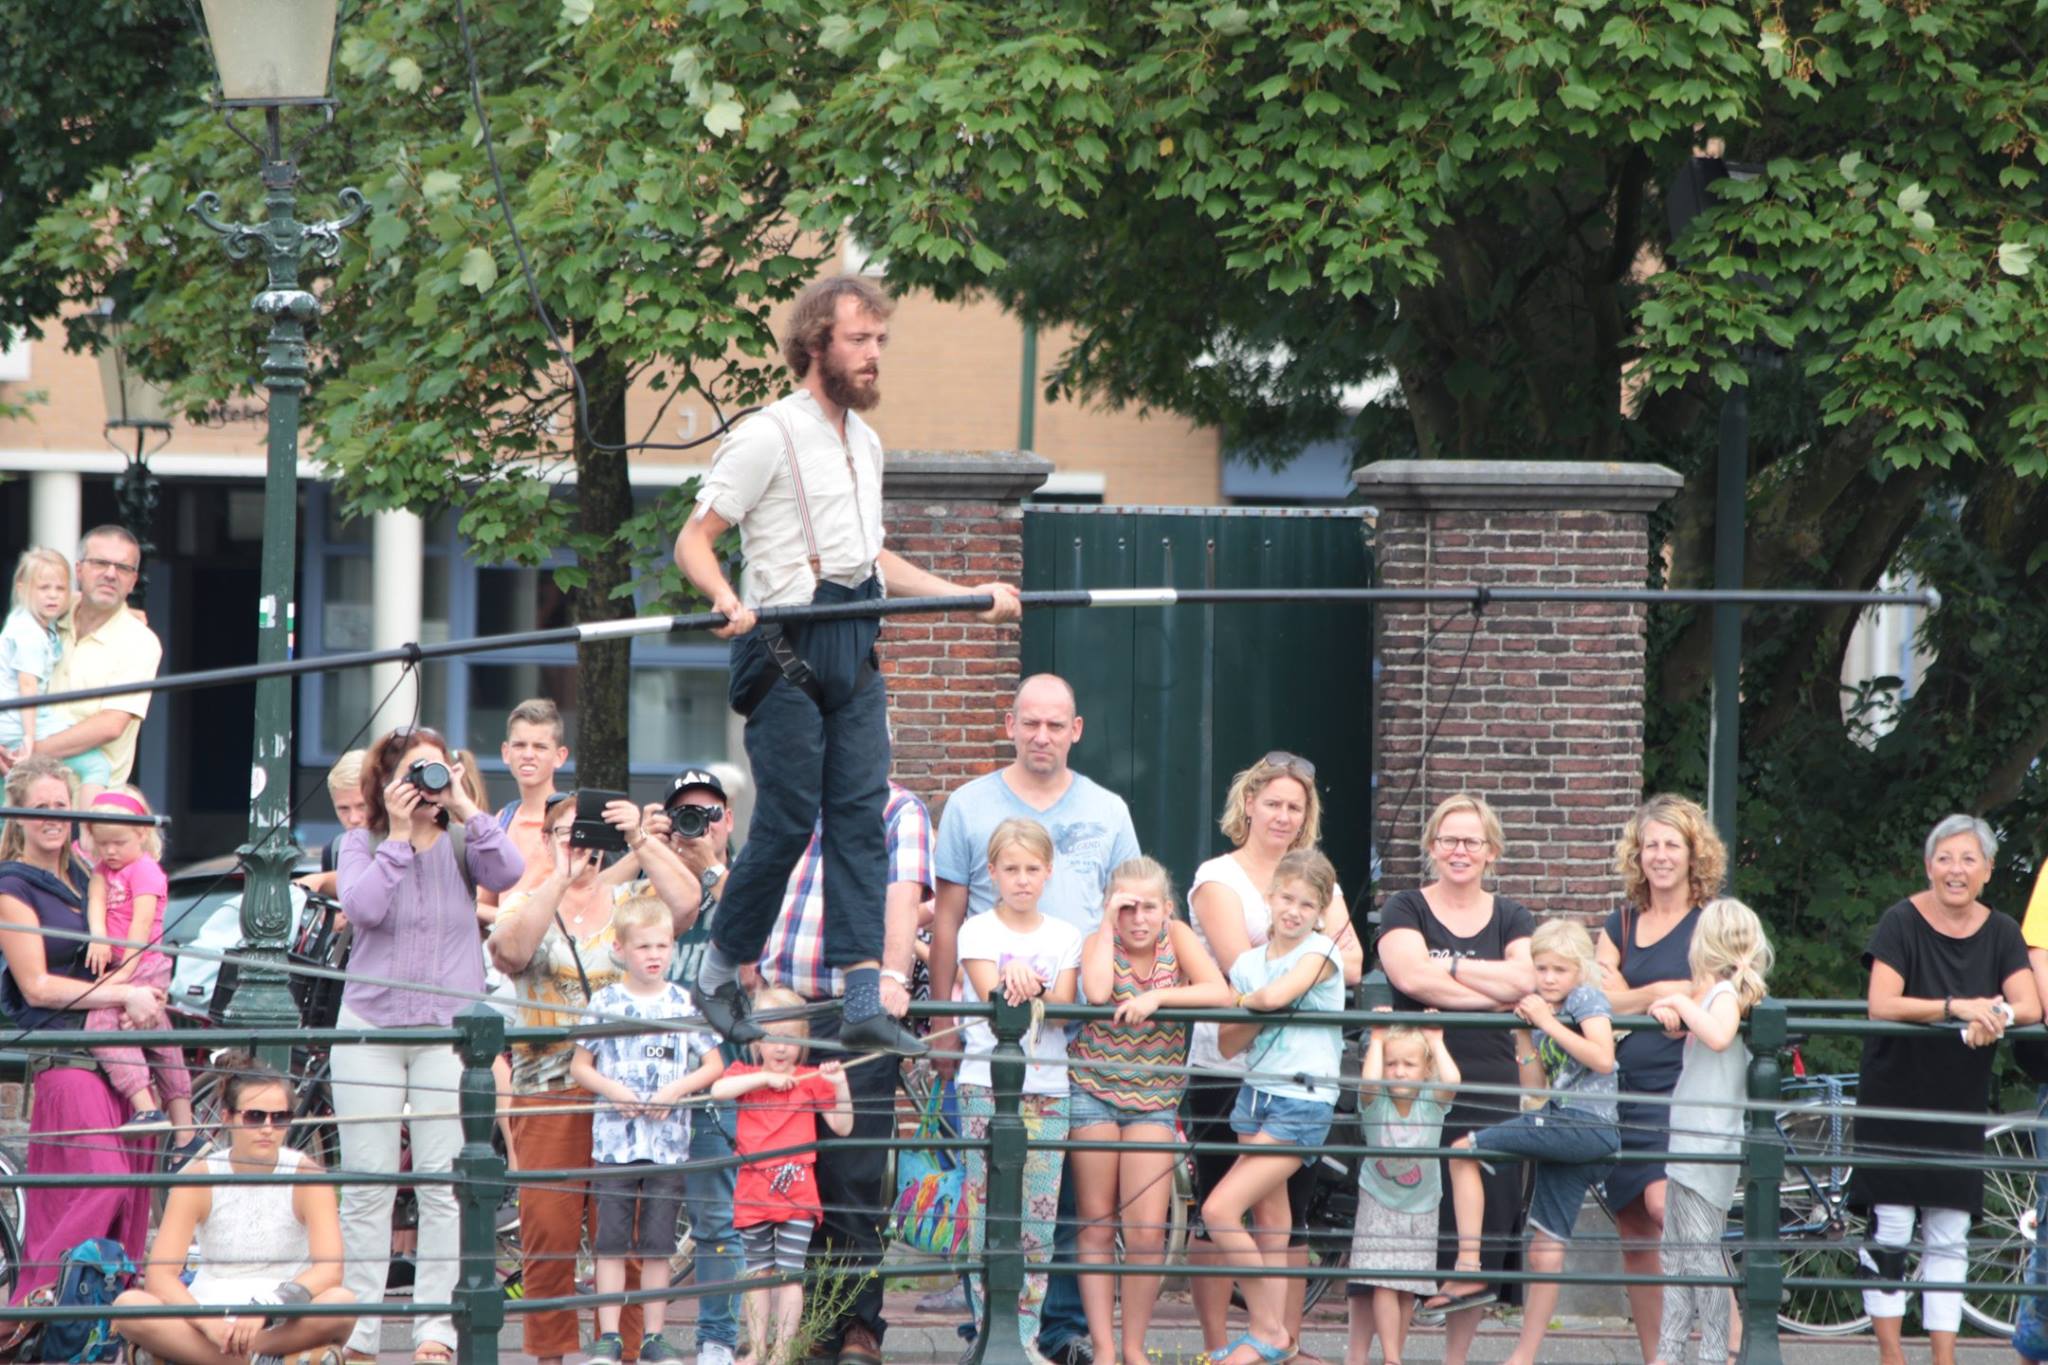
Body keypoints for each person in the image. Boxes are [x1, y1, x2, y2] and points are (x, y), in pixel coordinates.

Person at [675, 273, 1022, 1050]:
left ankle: (865, 992)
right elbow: (693, 540)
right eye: (859, 340)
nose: (873, 356)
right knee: (793, 819)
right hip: (783, 651)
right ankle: (718, 970)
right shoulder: (767, 434)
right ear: (815, 344)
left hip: (855, 648)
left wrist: (966, 595)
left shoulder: (866, 444)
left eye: (880, 342)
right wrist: (728, 597)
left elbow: (870, 557)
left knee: (864, 818)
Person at [930, 672, 1143, 1365]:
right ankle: (990, 1334)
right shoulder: (967, 805)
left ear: (1076, 729)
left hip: (1088, 1026)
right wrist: (943, 1027)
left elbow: (1132, 909)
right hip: (988, 1040)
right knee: (986, 1197)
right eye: (1031, 722)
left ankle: (1056, 1334)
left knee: (1063, 1200)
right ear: (1011, 723)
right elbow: (949, 920)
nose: (1043, 735)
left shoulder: (1108, 808)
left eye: (1057, 724)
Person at [333, 725, 524, 1363]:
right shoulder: (358, 842)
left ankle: (435, 1332)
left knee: (443, 1185)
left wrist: (468, 807)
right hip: (370, 1029)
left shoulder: (468, 839)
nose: (426, 784)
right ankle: (357, 1332)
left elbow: (511, 870)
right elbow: (362, 909)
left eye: (436, 770)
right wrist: (396, 836)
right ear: (387, 781)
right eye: (414, 772)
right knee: (368, 1185)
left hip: (447, 1033)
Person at [488, 792, 700, 1365]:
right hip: (548, 1089)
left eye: (588, 832)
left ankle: (628, 1351)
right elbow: (509, 952)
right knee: (549, 1236)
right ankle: (550, 1355)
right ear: (547, 840)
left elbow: (686, 904)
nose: (579, 843)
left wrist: (639, 838)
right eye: (565, 832)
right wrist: (559, 879)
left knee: (628, 1235)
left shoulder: (633, 899)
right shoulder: (527, 899)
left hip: (631, 1099)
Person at [1184, 752, 1362, 1364]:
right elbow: (1240, 967)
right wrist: (1306, 946)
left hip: (1296, 1086)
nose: (1284, 815)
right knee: (1213, 1214)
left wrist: (1300, 956)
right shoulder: (1218, 876)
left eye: (1296, 806)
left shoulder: (1319, 881)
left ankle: (1278, 1342)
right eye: (1275, 803)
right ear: (1250, 804)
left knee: (1283, 1218)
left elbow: (1353, 960)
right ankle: (1221, 1343)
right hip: (1226, 1071)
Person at [752, 777, 933, 1365]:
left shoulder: (900, 808)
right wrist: (749, 966)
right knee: (787, 1174)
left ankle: (857, 1324)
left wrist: (892, 979)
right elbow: (765, 876)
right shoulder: (795, 797)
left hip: (854, 1012)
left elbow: (903, 895)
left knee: (853, 1174)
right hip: (785, 1009)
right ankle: (799, 1328)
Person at [1849, 814, 2039, 1365]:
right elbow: (1882, 1003)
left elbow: (2026, 1004)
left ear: (1987, 870)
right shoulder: (1900, 921)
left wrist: (1994, 1013)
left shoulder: (2001, 929)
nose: (1956, 870)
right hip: (1895, 1091)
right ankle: (1890, 1354)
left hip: (1958, 1097)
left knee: (1950, 1228)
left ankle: (1944, 1358)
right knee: (1891, 1224)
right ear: (1929, 865)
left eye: (1968, 859)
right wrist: (1957, 1007)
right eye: (1945, 858)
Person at [1375, 793, 1532, 1365]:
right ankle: (1393, 1354)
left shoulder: (1512, 915)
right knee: (1408, 1217)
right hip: (1414, 1082)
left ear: (1491, 852)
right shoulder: (1405, 906)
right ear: (1431, 848)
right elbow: (1412, 976)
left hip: (1489, 1080)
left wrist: (1456, 966)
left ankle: (1454, 1360)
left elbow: (1526, 980)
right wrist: (1490, 995)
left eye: (1471, 841)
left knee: (1483, 1227)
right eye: (1448, 840)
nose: (1458, 851)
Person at [0, 756, 153, 1306]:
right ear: (14, 816)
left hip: (121, 1053)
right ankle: (26, 1306)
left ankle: (101, 1321)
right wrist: (124, 993)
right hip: (69, 1058)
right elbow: (37, 986)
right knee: (102, 1181)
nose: (51, 817)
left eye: (60, 806)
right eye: (37, 808)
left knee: (134, 1196)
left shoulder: (91, 876)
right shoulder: (12, 886)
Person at [1069, 856, 1232, 1365]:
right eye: (1127, 908)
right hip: (1092, 1089)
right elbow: (1096, 991)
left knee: (1144, 1232)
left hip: (1155, 1099)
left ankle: (1135, 1347)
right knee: (1096, 1226)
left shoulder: (1176, 936)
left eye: (1149, 908)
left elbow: (1220, 992)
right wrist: (1103, 921)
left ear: (1167, 908)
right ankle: (1103, 1348)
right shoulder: (1099, 940)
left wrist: (1159, 996)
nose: (1138, 919)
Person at [1442, 919, 1618, 1365]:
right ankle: (1523, 1356)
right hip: (1560, 1125)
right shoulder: (1545, 1011)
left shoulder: (1585, 998)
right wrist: (1523, 1033)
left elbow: (1602, 1057)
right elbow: (1535, 1088)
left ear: (1580, 970)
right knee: (1544, 1249)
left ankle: (1467, 1268)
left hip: (1585, 1125)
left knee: (1463, 1150)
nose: (1550, 978)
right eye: (1542, 968)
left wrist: (1545, 1021)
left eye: (1561, 969)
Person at [109, 1054, 357, 1365]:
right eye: (254, 1116)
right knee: (128, 1306)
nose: (268, 1128)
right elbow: (161, 1276)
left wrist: (270, 1306)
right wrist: (208, 1324)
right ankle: (248, 1359)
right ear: (227, 1116)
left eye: (280, 1117)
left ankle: (234, 1356)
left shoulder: (308, 1176)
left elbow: (329, 1270)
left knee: (342, 1303)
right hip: (210, 1310)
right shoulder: (199, 1177)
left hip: (280, 1313)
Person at [1595, 794, 1728, 1362]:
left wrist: (1658, 997)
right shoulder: (1620, 922)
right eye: (1651, 844)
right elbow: (1600, 996)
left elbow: (1722, 988)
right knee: (1635, 1232)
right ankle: (1659, 1356)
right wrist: (1658, 994)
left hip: (1685, 1090)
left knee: (1671, 1210)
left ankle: (1729, 1344)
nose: (1660, 855)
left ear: (1693, 853)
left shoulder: (1712, 922)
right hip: (1623, 1090)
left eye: (1672, 844)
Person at [1202, 849, 1348, 1365]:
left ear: (1320, 912)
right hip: (1255, 1095)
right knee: (1270, 1218)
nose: (1293, 910)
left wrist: (1246, 1002)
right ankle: (1277, 1339)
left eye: (1307, 904)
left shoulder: (1321, 954)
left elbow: (1273, 999)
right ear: (1270, 897)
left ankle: (1268, 1329)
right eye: (1286, 897)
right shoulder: (1246, 963)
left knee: (1218, 1210)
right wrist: (1250, 1003)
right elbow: (1226, 1045)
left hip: (1301, 1100)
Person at [571, 896, 727, 1365]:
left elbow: (713, 1063)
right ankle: (610, 1335)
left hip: (668, 1145)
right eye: (643, 946)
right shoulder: (605, 1001)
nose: (654, 955)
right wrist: (613, 1089)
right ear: (619, 948)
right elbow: (581, 1066)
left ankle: (655, 1335)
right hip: (615, 1144)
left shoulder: (683, 1002)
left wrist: (676, 1090)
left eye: (662, 945)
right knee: (611, 1243)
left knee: (659, 1244)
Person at [956, 818, 1084, 1364]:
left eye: (1033, 869)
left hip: (1047, 1087)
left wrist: (1035, 988)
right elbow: (992, 988)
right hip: (984, 1084)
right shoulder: (977, 930)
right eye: (1011, 869)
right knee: (985, 1210)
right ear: (993, 872)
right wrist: (1027, 987)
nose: (1023, 880)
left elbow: (1066, 1004)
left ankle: (1025, 1334)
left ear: (1048, 872)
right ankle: (988, 1328)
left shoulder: (1065, 936)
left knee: (1037, 1216)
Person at [643, 766, 746, 1365]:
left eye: (709, 813)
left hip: (719, 1071)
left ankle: (716, 1340)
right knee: (638, 1220)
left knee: (715, 1216)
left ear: (729, 819)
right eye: (686, 813)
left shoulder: (747, 875)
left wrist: (710, 864)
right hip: (650, 1072)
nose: (697, 824)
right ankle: (637, 1336)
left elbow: (761, 939)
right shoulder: (655, 876)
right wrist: (651, 847)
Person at [1646, 898, 1773, 1365]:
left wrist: (1679, 1000)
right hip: (1690, 1141)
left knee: (1700, 1255)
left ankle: (1715, 1352)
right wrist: (1676, 1013)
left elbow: (1718, 1035)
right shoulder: (1714, 996)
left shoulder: (1723, 995)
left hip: (1707, 1144)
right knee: (1676, 1255)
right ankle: (1670, 1349)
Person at [710, 986, 855, 1365]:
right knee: (757, 1272)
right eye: (770, 1037)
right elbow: (719, 1090)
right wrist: (763, 1080)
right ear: (755, 1041)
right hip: (753, 1191)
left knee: (790, 1274)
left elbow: (842, 1126)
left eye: (789, 1039)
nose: (779, 1047)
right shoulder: (745, 1073)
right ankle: (757, 1346)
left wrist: (839, 1085)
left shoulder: (810, 1079)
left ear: (803, 1043)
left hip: (797, 1195)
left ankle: (782, 1349)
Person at [4, 526, 163, 788]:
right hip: (20, 791)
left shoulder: (140, 641)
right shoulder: (44, 618)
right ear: (78, 570)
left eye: (123, 568)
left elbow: (110, 725)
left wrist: (29, 752)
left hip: (87, 805)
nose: (110, 574)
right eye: (100, 563)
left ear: (133, 580)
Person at [1346, 1012, 1461, 1365]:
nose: (1398, 1071)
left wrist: (1436, 1040)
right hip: (1378, 1200)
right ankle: (1392, 1358)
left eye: (1409, 1064)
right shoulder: (1375, 1100)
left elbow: (1453, 1080)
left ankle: (1395, 1353)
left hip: (1422, 1204)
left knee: (1406, 1285)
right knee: (1382, 1280)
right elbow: (1367, 1082)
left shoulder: (1431, 1100)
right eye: (1391, 1063)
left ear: (1425, 1070)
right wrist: (1377, 1039)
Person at [79, 785, 192, 1135]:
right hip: (118, 963)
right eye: (102, 843)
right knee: (155, 1034)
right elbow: (95, 902)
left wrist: (115, 980)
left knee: (102, 1023)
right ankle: (184, 1130)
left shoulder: (145, 871)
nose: (110, 851)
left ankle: (148, 1108)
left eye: (119, 842)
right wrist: (98, 938)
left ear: (142, 834)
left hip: (142, 962)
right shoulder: (102, 869)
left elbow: (140, 930)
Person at [483, 697, 572, 911]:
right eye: (520, 745)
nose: (528, 755)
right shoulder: (502, 821)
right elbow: (482, 902)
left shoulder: (572, 819)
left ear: (560, 756)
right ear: (506, 752)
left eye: (540, 747)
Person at [0, 546, 71, 760]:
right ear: (22, 589)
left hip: (13, 717)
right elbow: (27, 685)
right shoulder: (29, 635)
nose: (53, 595)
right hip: (15, 720)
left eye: (60, 589)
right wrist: (29, 737)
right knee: (95, 763)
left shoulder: (23, 616)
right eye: (44, 588)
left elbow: (75, 598)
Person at [295, 749, 369, 899]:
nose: (354, 818)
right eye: (343, 809)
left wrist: (323, 880)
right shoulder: (334, 851)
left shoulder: (412, 844)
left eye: (363, 806)